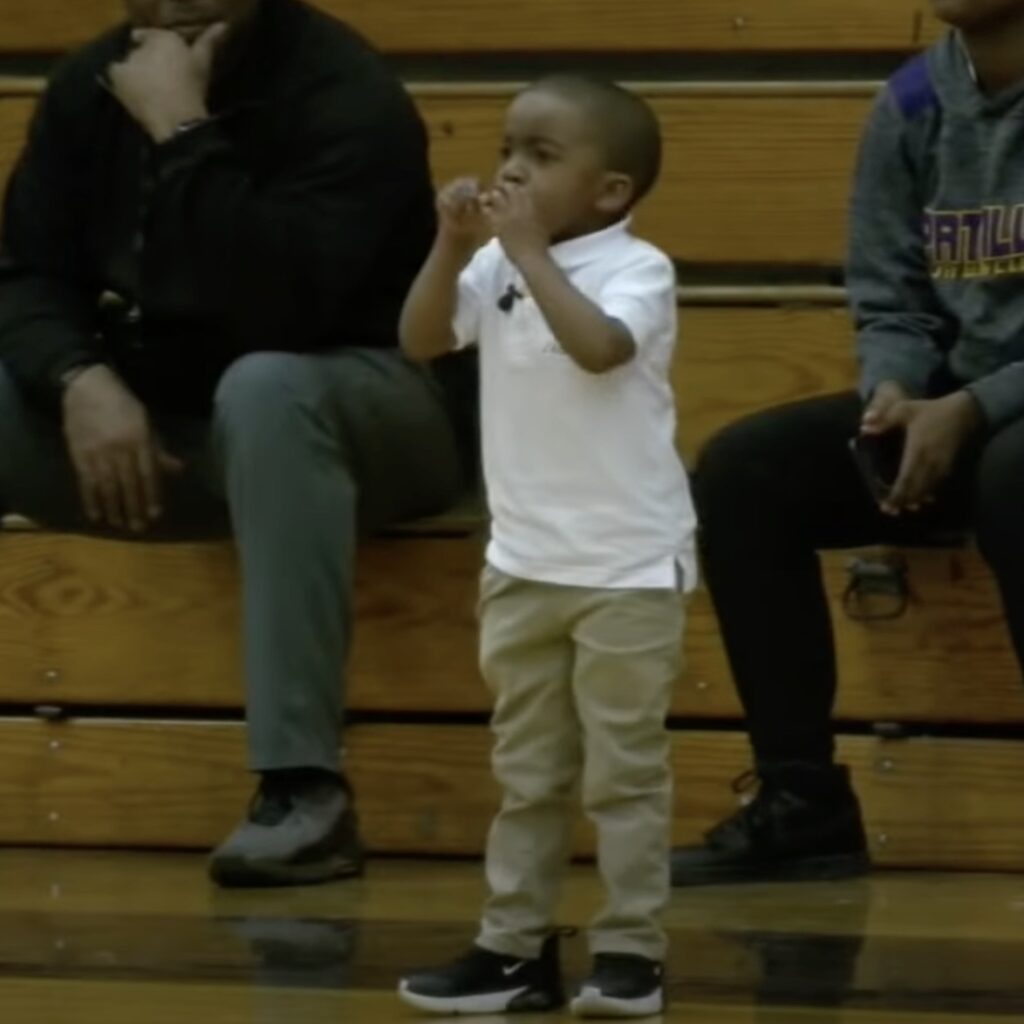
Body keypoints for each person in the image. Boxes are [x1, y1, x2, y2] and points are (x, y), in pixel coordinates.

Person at [0, 0, 472, 887]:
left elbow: (280, 306)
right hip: (171, 435)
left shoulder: (346, 91)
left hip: (366, 412)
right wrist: (76, 376)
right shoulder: (87, 80)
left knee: (264, 385)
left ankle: (306, 795)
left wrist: (181, 129)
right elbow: (26, 274)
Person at [670, 0, 1024, 887]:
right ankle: (804, 804)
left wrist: (974, 407)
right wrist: (894, 396)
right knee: (747, 470)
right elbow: (890, 296)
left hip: (1000, 419)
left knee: (1019, 478)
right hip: (961, 405)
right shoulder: (911, 103)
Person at [395, 75, 696, 1018]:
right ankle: (513, 947)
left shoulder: (637, 268)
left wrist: (526, 253)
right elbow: (419, 340)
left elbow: (601, 349)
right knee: (526, 774)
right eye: (506, 150)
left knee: (623, 775)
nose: (512, 170)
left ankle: (631, 953)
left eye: (541, 155)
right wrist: (453, 247)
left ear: (611, 191)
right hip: (523, 567)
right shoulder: (496, 267)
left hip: (628, 572)